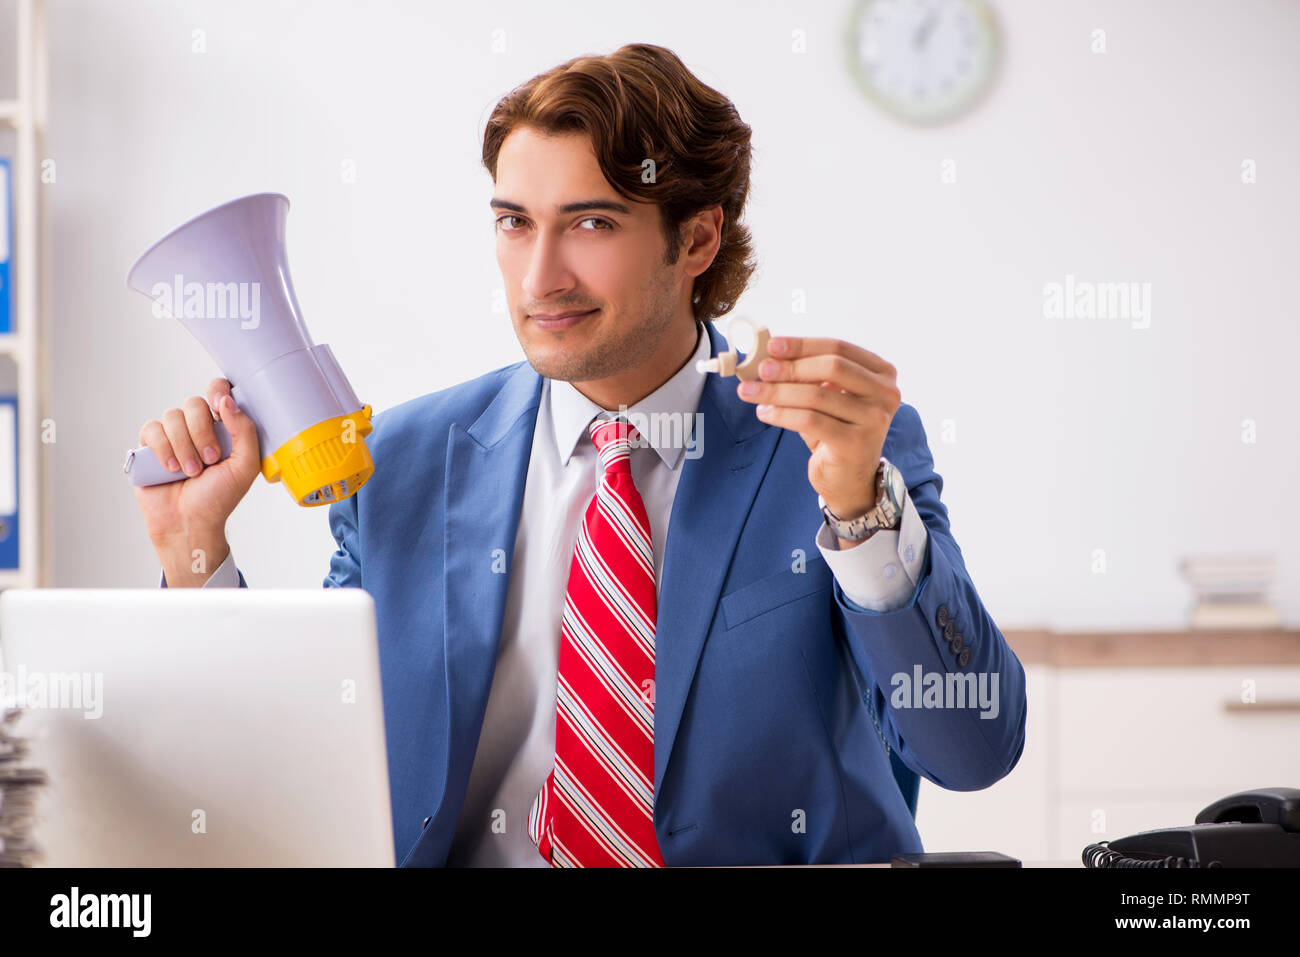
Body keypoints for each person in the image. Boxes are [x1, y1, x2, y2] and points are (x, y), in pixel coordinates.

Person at [134, 43, 1026, 868]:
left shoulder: (829, 450)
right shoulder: (402, 464)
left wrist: (860, 509)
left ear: (698, 240)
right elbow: (304, 771)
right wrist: (193, 549)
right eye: (516, 223)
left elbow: (974, 748)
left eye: (591, 224)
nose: (538, 279)